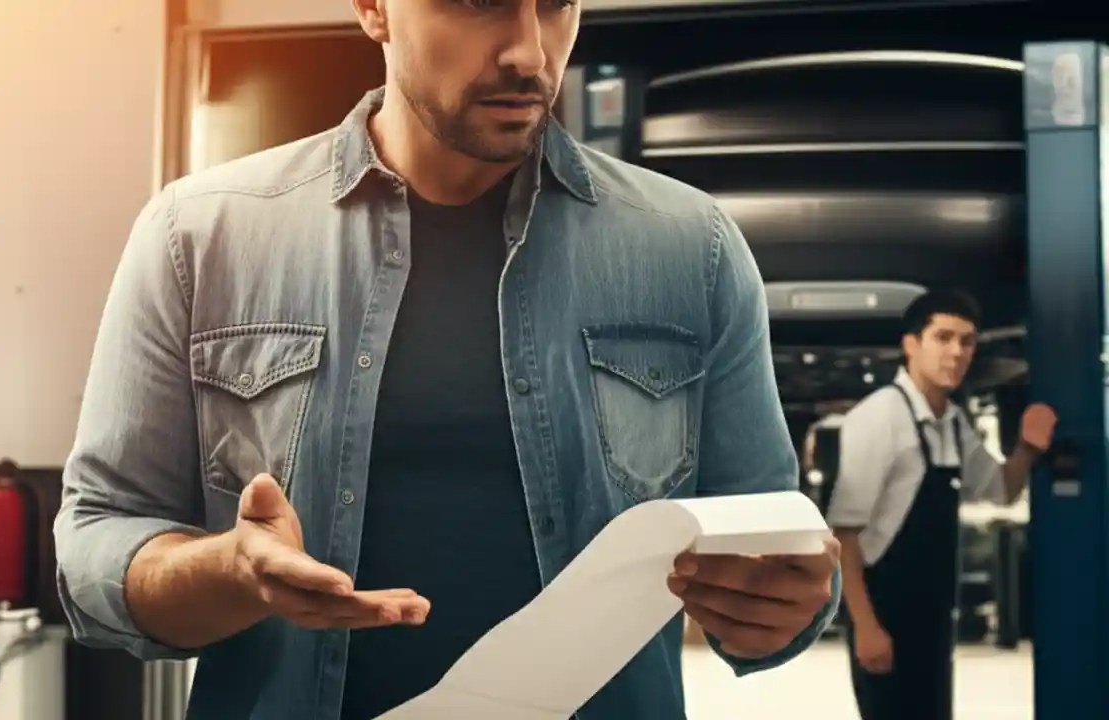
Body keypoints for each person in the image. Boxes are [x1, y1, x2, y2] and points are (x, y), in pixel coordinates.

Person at [53, 0, 841, 717]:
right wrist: (229, 572)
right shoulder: (201, 238)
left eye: (557, 5)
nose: (530, 52)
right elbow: (97, 548)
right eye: (480, 3)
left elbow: (770, 552)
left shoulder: (691, 249)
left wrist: (790, 600)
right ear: (372, 8)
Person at [827, 290, 1057, 720]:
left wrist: (1027, 448)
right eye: (944, 337)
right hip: (885, 614)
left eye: (967, 341)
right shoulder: (879, 417)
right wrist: (865, 628)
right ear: (911, 345)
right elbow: (844, 535)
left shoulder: (952, 423)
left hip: (933, 617)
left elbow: (1000, 490)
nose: (957, 352)